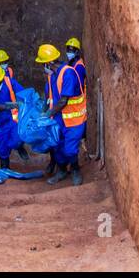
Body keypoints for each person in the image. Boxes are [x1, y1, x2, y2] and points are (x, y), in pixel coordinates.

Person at [36, 42, 87, 186]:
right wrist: (46, 112)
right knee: (57, 146)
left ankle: (76, 169)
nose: (43, 67)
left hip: (74, 119)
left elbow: (63, 100)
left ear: (49, 63)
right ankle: (62, 170)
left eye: (43, 64)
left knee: (70, 149)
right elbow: (52, 98)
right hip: (59, 118)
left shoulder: (68, 73)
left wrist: (47, 114)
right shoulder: (53, 76)